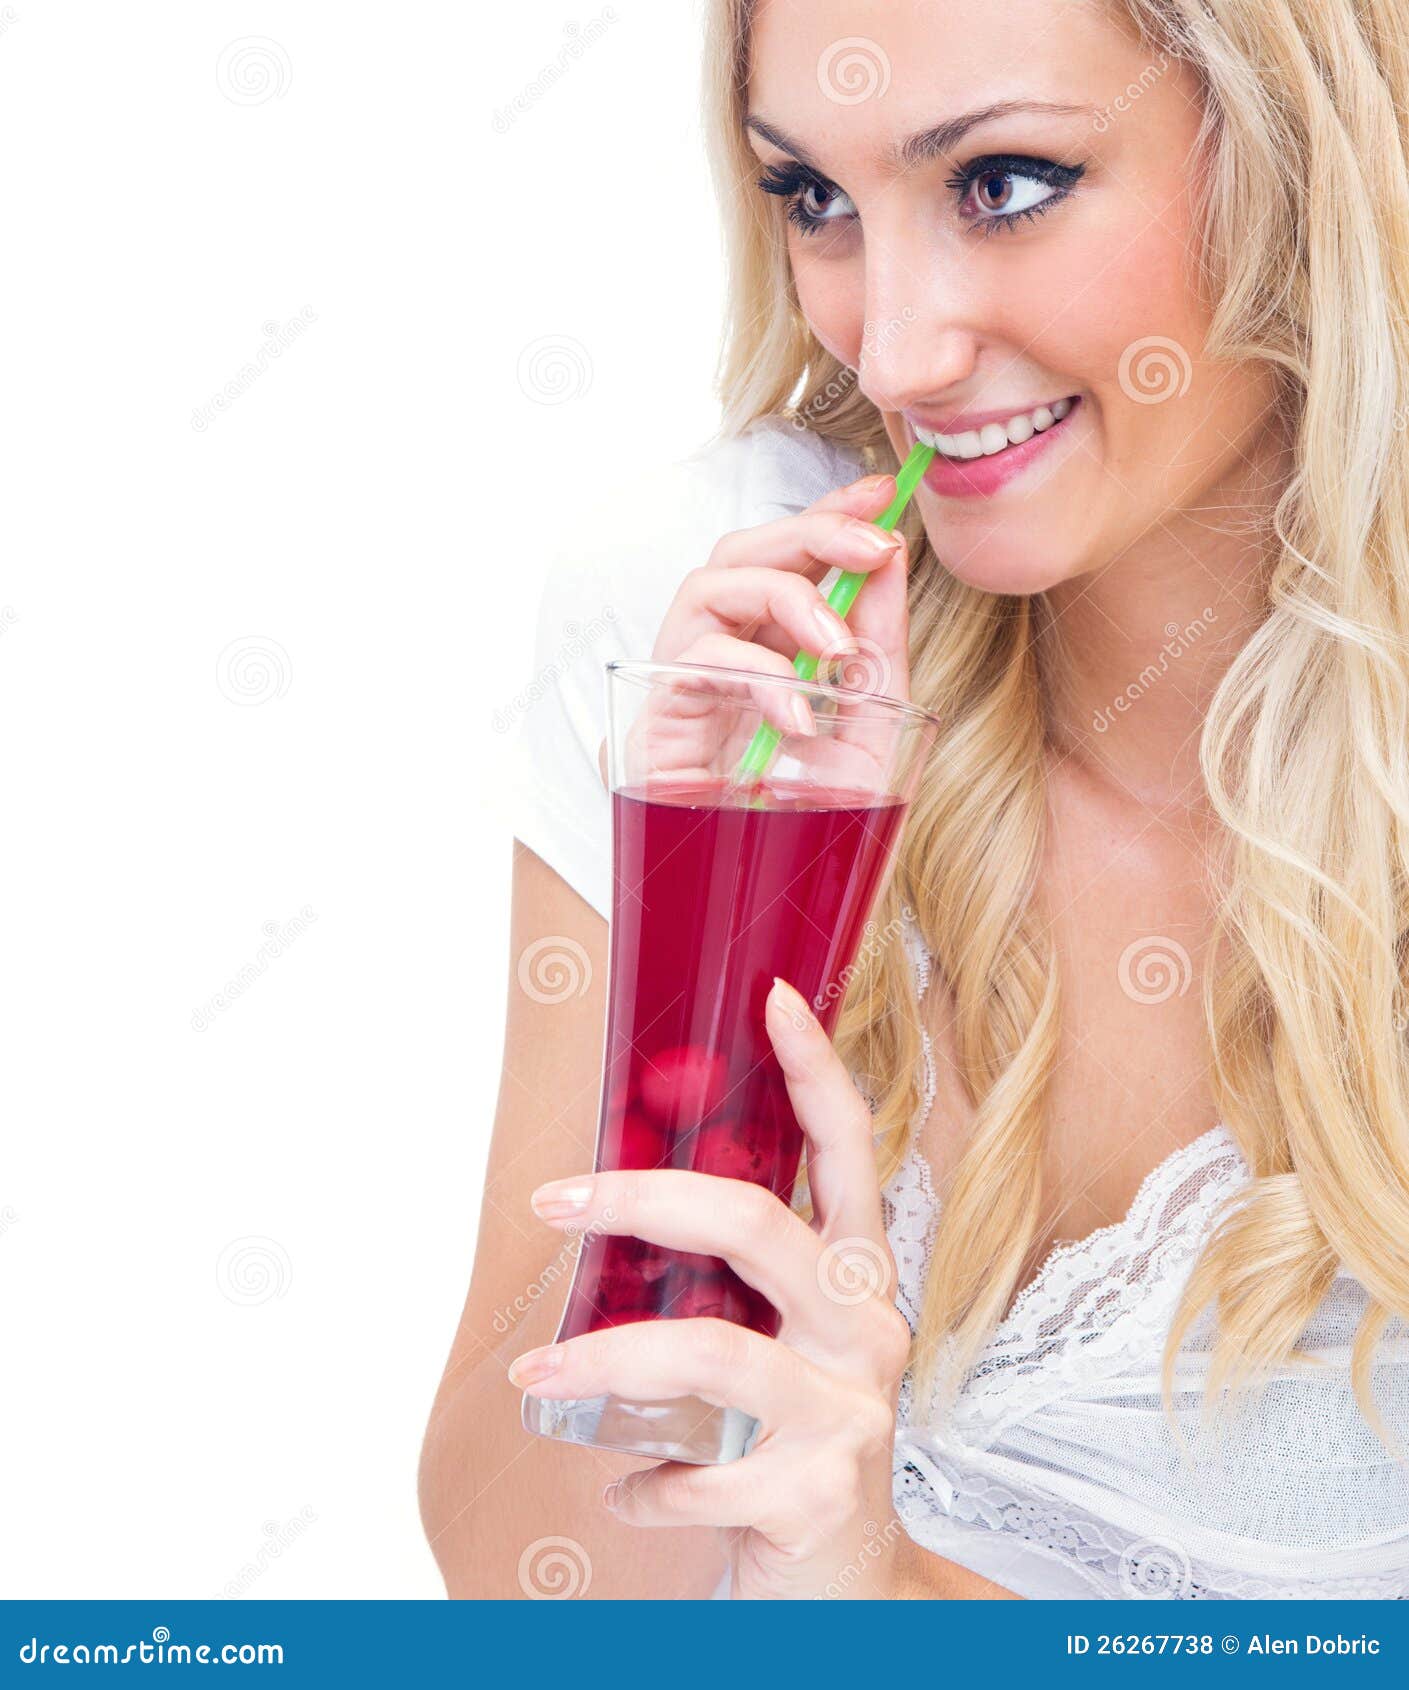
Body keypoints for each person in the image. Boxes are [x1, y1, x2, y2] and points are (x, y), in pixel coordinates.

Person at [420, 0, 1409, 1598]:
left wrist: (878, 1589)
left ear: (1297, 154)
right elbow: (520, 1571)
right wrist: (722, 947)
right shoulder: (716, 612)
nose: (889, 352)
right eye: (812, 198)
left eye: (1003, 182)